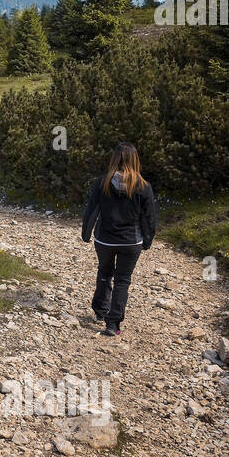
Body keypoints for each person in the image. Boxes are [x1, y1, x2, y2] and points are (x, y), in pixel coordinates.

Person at [80, 143, 157, 337]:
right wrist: (147, 240)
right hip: (131, 242)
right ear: (135, 160)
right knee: (123, 280)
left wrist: (86, 233)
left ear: (114, 159)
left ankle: (100, 309)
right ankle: (113, 324)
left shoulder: (101, 182)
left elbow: (91, 210)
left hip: (105, 240)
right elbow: (149, 218)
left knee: (105, 272)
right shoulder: (143, 186)